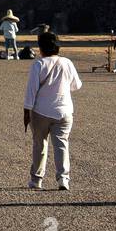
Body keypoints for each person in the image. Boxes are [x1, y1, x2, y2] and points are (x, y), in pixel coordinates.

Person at [23, 29, 82, 190]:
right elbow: (77, 85)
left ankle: (36, 180)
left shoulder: (39, 64)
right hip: (64, 111)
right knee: (61, 145)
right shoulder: (67, 62)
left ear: (41, 48)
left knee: (39, 145)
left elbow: (31, 90)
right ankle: (63, 178)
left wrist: (26, 112)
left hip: (41, 111)